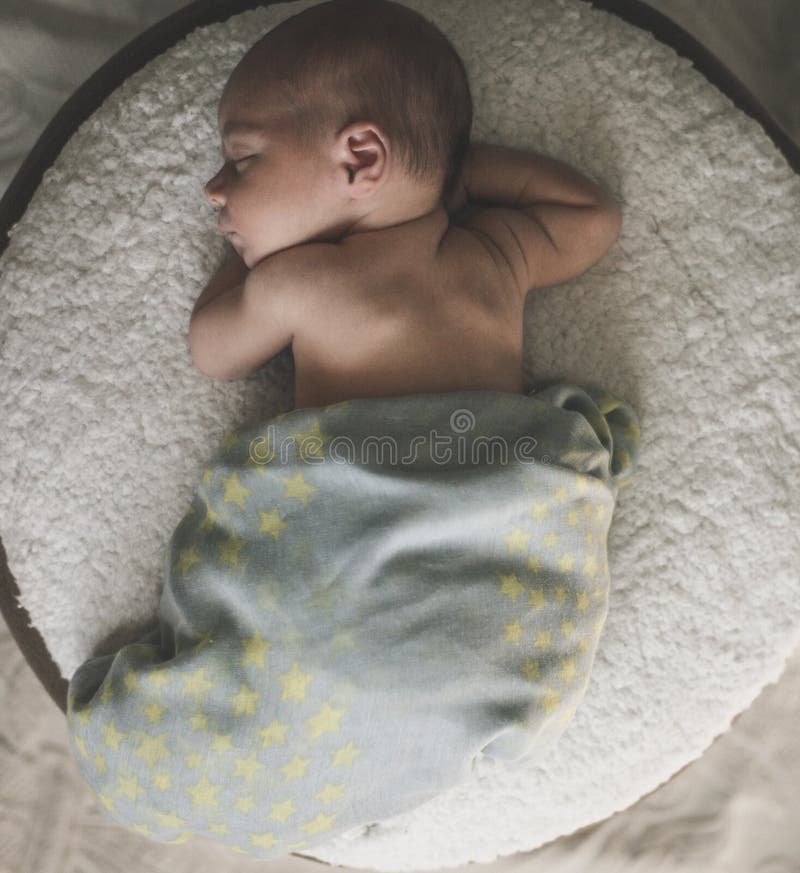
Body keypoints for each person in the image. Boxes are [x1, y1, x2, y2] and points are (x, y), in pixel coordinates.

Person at [194, 0, 622, 409]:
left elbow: (211, 352)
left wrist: (247, 249)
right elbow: (590, 215)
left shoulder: (290, 284)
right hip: (497, 460)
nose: (213, 189)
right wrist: (461, 173)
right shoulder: (494, 254)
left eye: (242, 160)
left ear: (360, 160)